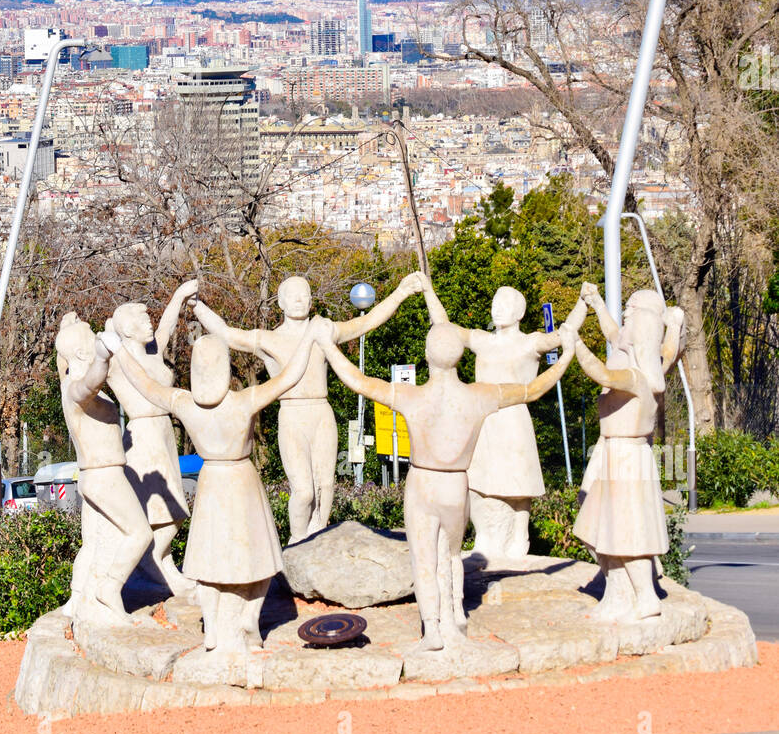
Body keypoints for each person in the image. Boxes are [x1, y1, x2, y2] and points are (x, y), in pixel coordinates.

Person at [318, 319, 577, 652]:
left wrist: (328, 346)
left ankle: (433, 630)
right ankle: (455, 618)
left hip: (423, 483)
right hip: (457, 484)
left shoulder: (412, 396)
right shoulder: (480, 395)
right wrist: (567, 354)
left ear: (427, 355)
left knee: (425, 559)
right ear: (460, 357)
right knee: (452, 556)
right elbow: (533, 389)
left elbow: (359, 381)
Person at [102, 315, 333, 654]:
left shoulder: (184, 403)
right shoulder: (244, 400)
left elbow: (145, 385)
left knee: (207, 562)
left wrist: (119, 351)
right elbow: (290, 377)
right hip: (242, 481)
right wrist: (311, 336)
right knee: (260, 558)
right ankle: (249, 620)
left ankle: (212, 626)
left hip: (211, 482)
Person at [192, 271, 424, 542]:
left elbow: (368, 322)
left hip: (321, 412)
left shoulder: (324, 330)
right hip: (292, 415)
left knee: (326, 486)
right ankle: (298, 541)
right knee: (303, 490)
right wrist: (196, 305)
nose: (300, 300)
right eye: (293, 296)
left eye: (305, 294)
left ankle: (319, 538)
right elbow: (226, 334)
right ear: (281, 303)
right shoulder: (269, 339)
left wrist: (401, 292)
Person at [421, 277, 587, 560]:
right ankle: (485, 536)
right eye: (495, 303)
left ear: (519, 312)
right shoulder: (482, 340)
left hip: (513, 417)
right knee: (477, 482)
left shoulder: (530, 342)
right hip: (482, 418)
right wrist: (428, 291)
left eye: (504, 304)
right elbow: (444, 328)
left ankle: (519, 535)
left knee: (517, 481)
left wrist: (584, 302)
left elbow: (565, 333)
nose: (497, 308)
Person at [573, 283, 686, 622]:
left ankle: (643, 595)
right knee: (600, 524)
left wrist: (574, 344)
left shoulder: (637, 376)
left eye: (631, 308)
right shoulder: (641, 360)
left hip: (624, 454)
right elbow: (616, 334)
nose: (624, 312)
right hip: (613, 450)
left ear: (643, 325)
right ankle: (619, 591)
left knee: (626, 528)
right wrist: (595, 304)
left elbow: (600, 372)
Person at [56, 313, 154, 625]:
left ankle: (76, 600)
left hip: (92, 476)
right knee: (139, 533)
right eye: (89, 336)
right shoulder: (77, 388)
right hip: (104, 474)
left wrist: (66, 330)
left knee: (95, 543)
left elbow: (69, 361)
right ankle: (109, 591)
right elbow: (90, 382)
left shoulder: (66, 379)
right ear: (84, 353)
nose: (95, 334)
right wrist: (101, 356)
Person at [106, 283, 199, 600]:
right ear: (127, 329)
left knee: (169, 512)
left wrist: (179, 296)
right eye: (143, 321)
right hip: (143, 436)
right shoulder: (116, 361)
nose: (150, 324)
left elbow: (167, 326)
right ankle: (153, 567)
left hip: (163, 434)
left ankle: (164, 566)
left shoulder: (151, 352)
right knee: (162, 511)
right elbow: (85, 379)